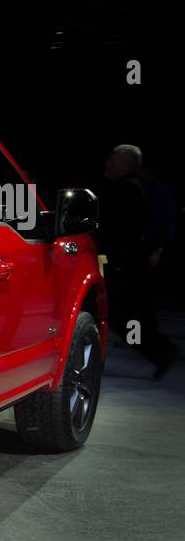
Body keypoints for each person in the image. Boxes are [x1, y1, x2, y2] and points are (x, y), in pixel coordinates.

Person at [97, 144, 178, 378]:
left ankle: (160, 350)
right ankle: (158, 350)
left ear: (127, 163)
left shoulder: (128, 190)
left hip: (125, 266)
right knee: (132, 316)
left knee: (124, 316)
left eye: (114, 159)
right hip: (128, 265)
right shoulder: (130, 188)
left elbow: (120, 231)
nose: (108, 163)